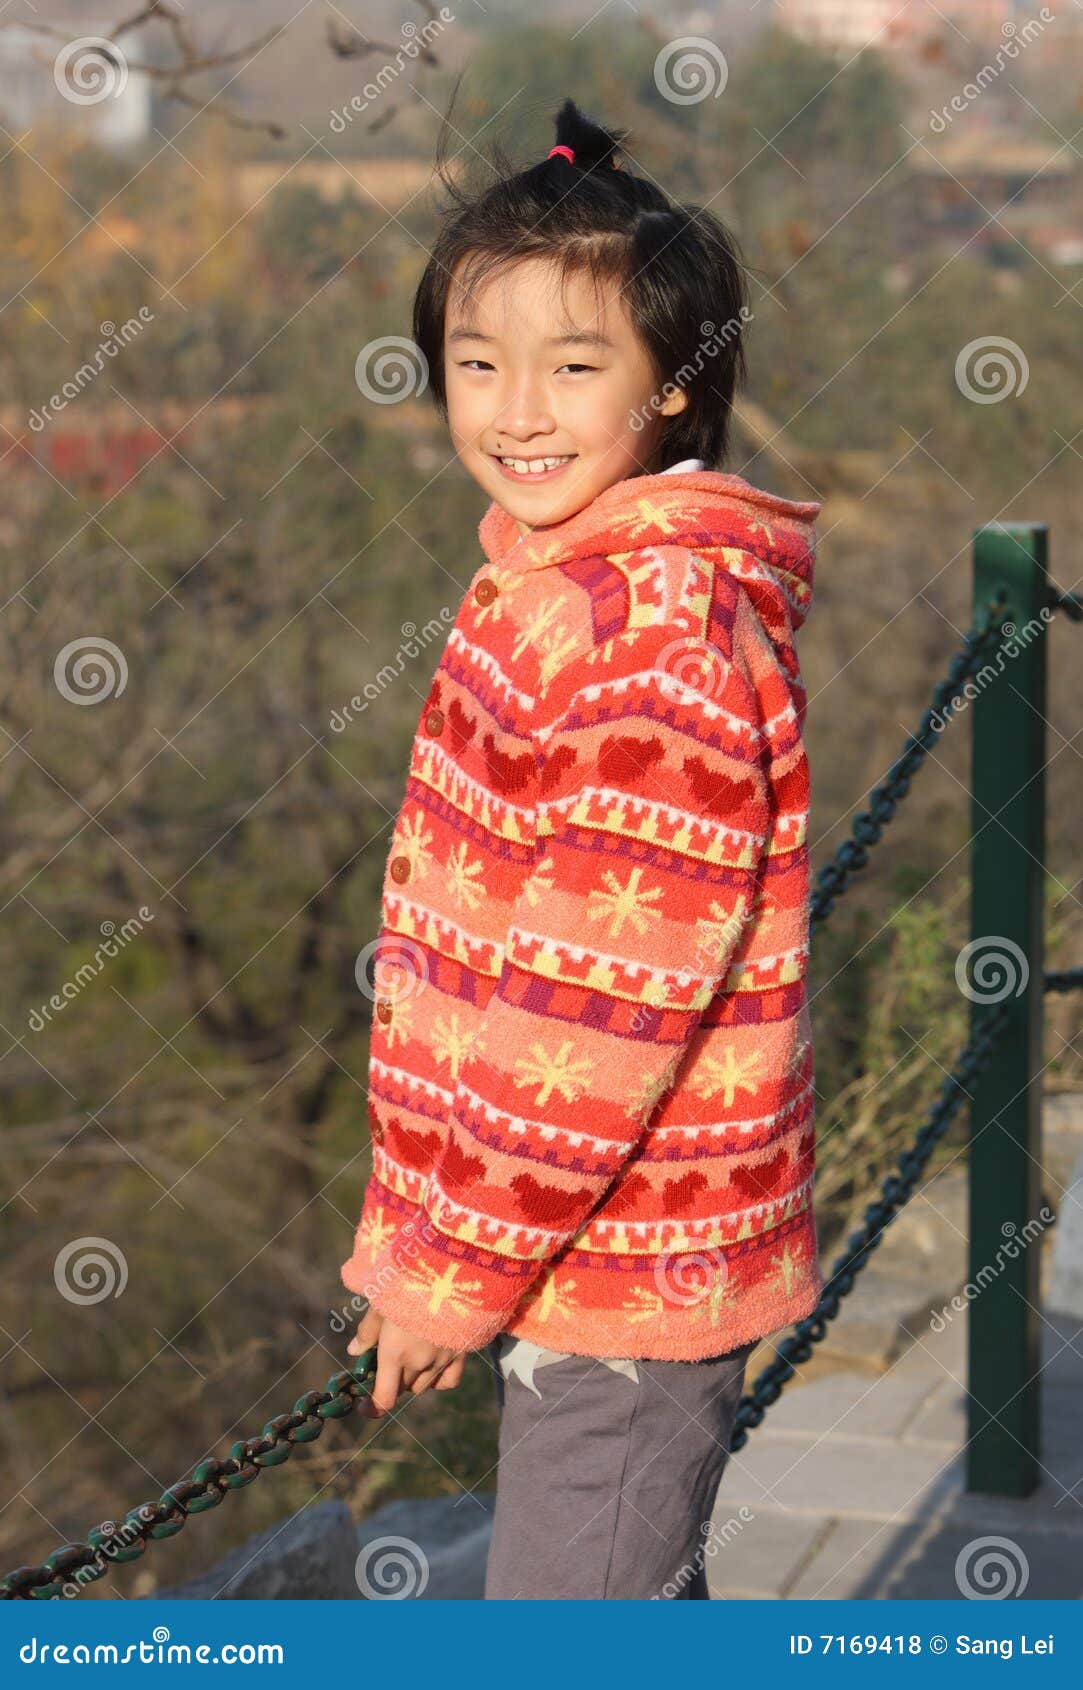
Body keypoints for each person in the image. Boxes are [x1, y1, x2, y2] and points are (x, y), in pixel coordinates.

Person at [340, 92, 825, 1600]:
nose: (516, 409)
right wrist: (409, 1236)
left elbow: (592, 1010)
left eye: (574, 365)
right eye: (476, 363)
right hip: (565, 1246)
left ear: (672, 386)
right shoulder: (555, 581)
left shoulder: (653, 635)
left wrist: (445, 1272)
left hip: (622, 1270)